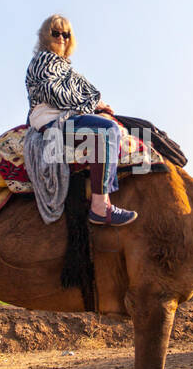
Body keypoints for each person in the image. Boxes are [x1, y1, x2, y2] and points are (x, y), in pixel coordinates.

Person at [25, 14, 138, 226]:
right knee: (107, 130)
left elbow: (89, 92)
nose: (61, 38)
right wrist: (94, 105)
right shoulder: (42, 60)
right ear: (45, 36)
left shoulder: (67, 68)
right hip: (52, 121)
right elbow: (54, 93)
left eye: (66, 34)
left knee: (118, 130)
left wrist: (101, 104)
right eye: (55, 33)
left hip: (71, 116)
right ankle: (100, 207)